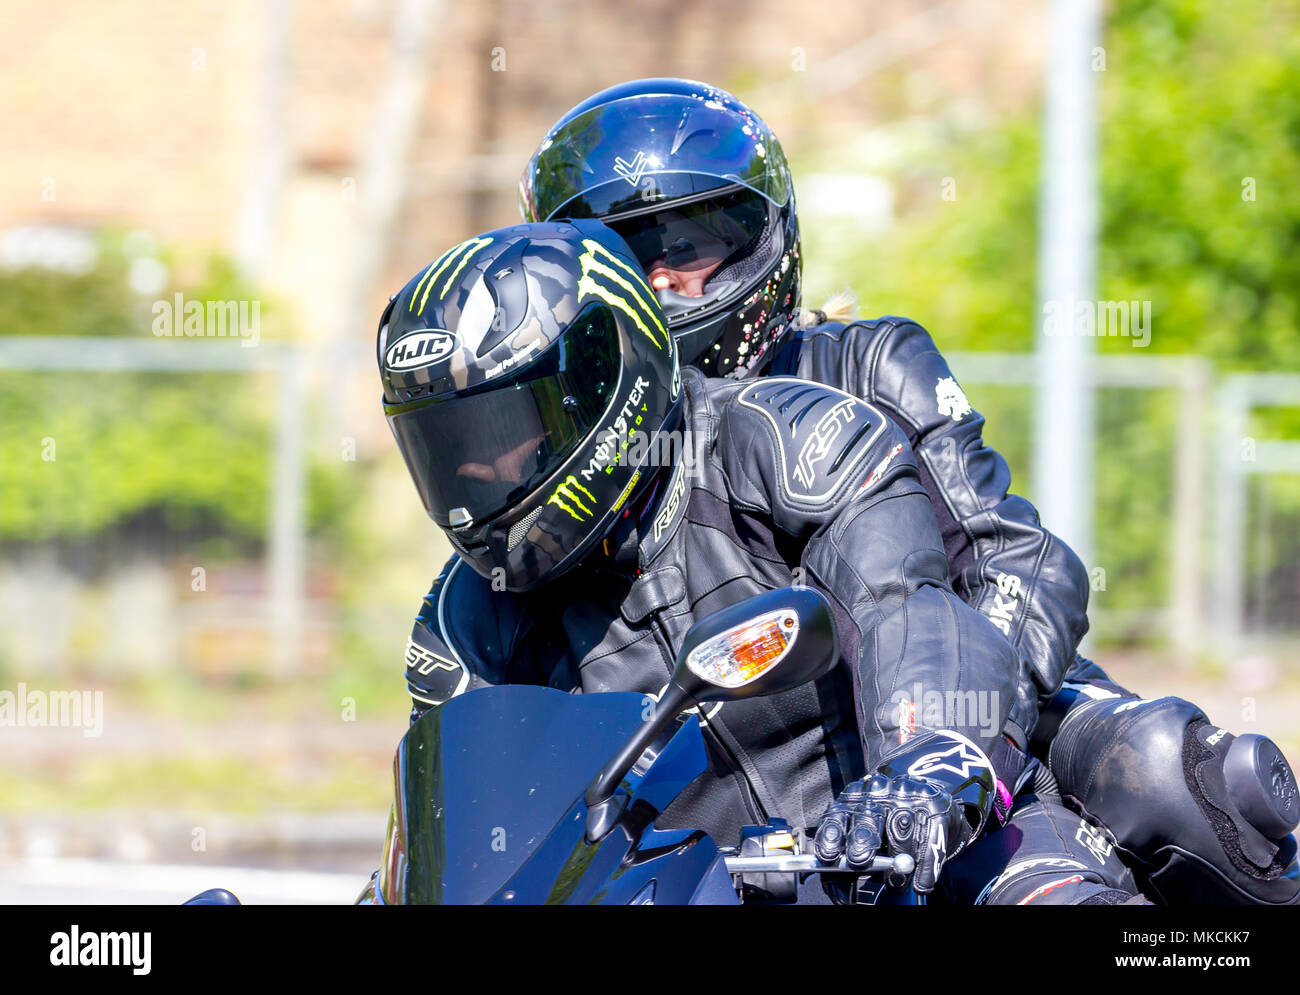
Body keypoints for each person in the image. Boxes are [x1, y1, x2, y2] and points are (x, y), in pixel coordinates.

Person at [507, 77, 1299, 905]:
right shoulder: (560, 482)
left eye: (690, 249)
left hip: (947, 762)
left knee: (1167, 775)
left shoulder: (866, 367)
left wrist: (948, 753)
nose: (662, 283)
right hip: (741, 840)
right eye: (630, 257)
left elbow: (1020, 564)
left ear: (757, 245)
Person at [382, 219, 1143, 903]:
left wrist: (928, 759)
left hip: (916, 852)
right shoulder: (466, 617)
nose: (479, 474)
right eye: (451, 451)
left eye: (503, 433)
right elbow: (466, 834)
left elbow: (904, 606)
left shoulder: (790, 444)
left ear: (599, 379)